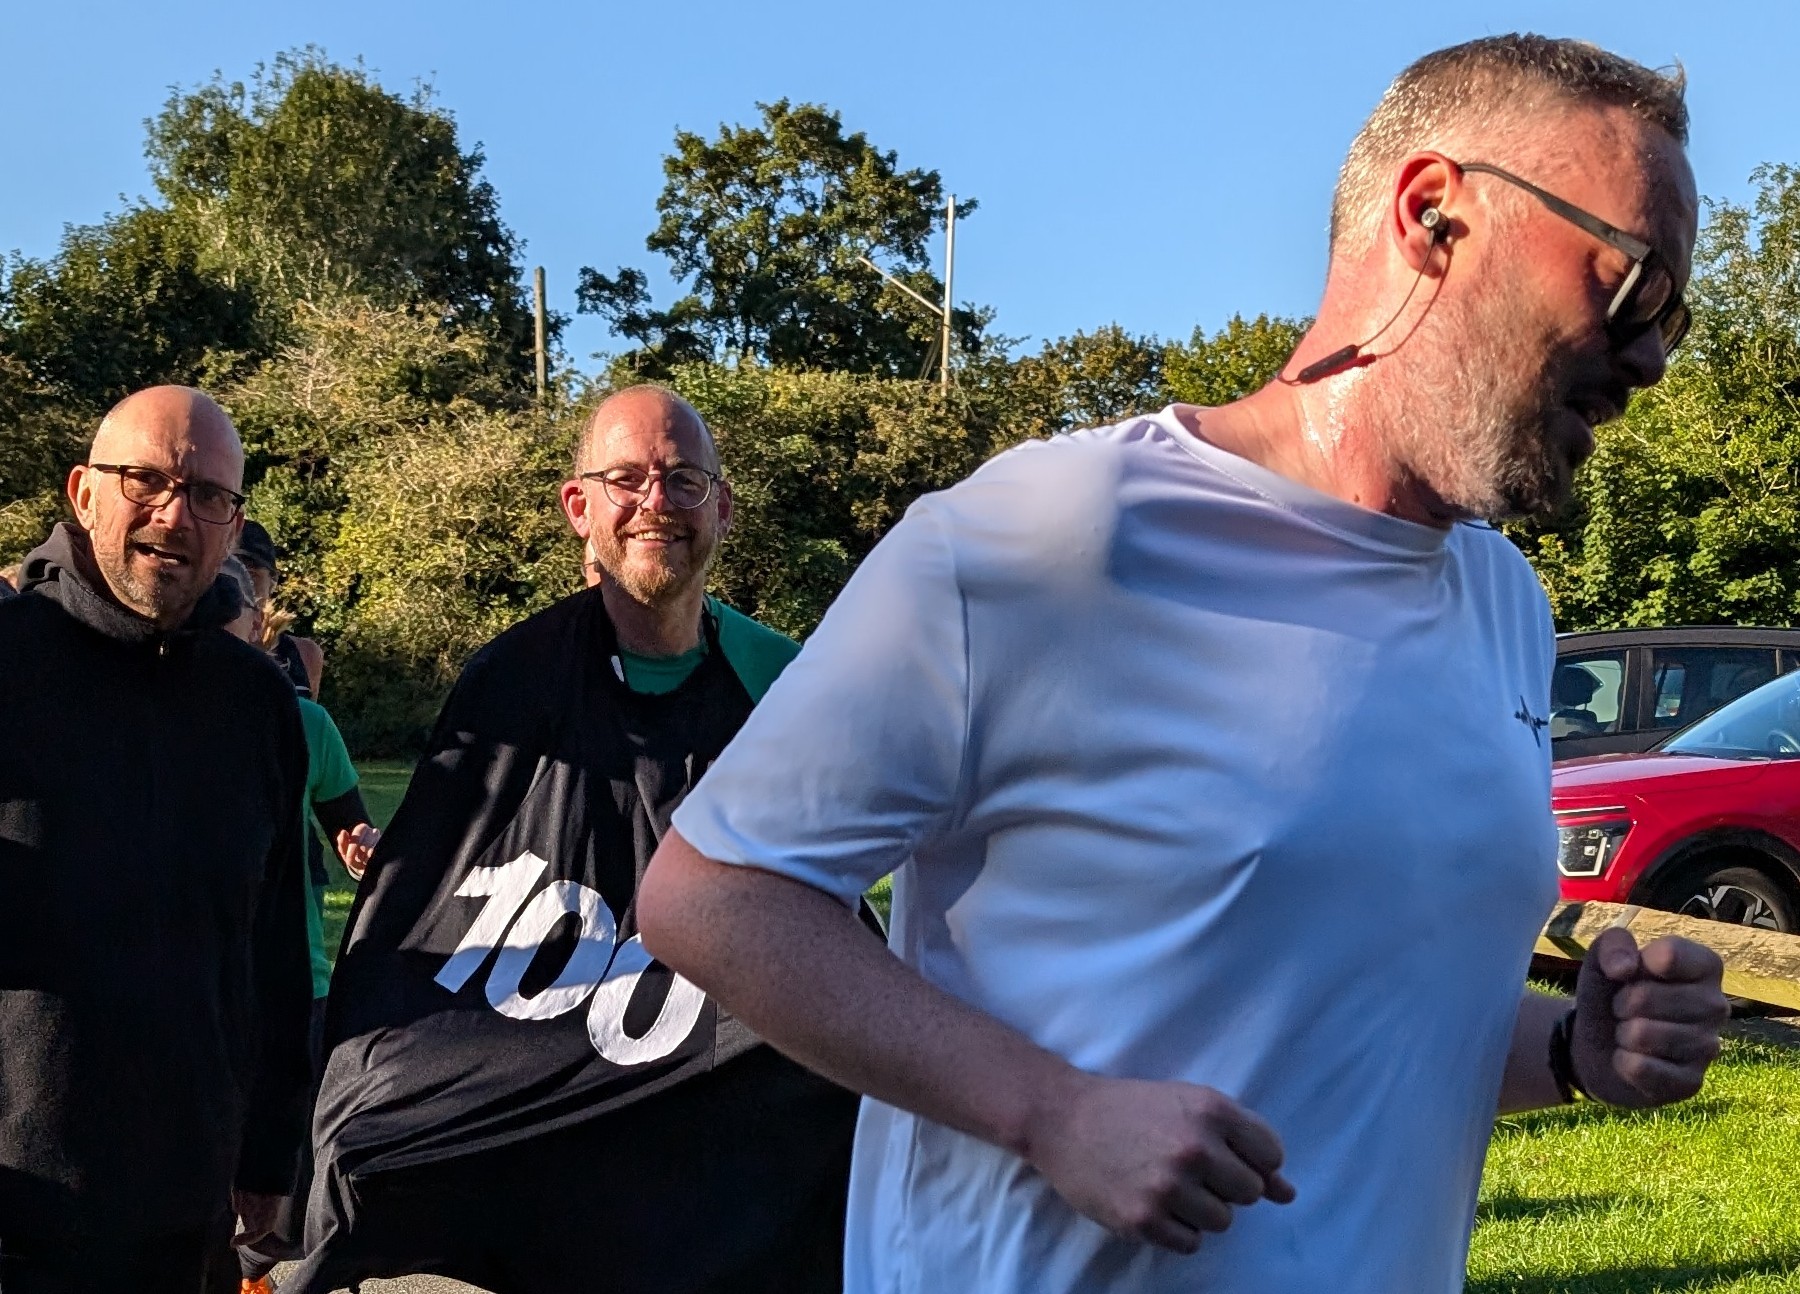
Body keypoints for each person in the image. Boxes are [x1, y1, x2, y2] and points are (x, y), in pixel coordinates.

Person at [637, 35, 1731, 1294]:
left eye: (1675, 316)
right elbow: (713, 893)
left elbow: (1377, 1018)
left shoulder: (1505, 608)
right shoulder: (1054, 538)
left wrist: (1577, 1049)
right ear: (1434, 213)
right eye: (1631, 281)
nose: (1653, 356)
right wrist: (1049, 1110)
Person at [289, 386, 866, 1294]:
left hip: (706, 1038)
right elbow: (423, 903)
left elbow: (838, 902)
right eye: (627, 479)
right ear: (579, 506)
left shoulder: (784, 682)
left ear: (722, 507)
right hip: (549, 1004)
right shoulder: (512, 681)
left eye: (683, 481)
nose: (656, 503)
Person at [0, 387, 313, 1291]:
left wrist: (270, 1151)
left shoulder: (256, 704)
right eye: (146, 480)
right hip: (17, 1210)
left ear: (233, 524)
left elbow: (273, 944)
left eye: (208, 495)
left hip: (185, 1209)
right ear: (83, 492)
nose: (174, 516)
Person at [211, 557, 380, 1292]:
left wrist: (363, 846)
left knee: (288, 1184)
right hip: (189, 979)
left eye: (237, 619)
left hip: (291, 980)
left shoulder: (305, 722)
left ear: (257, 628)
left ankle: (255, 1275)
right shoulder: (146, 716)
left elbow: (350, 825)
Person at [235, 519, 324, 700]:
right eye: (230, 572)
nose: (240, 585)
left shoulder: (305, 655)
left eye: (251, 576)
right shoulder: (192, 645)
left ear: (273, 581)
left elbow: (308, 716)